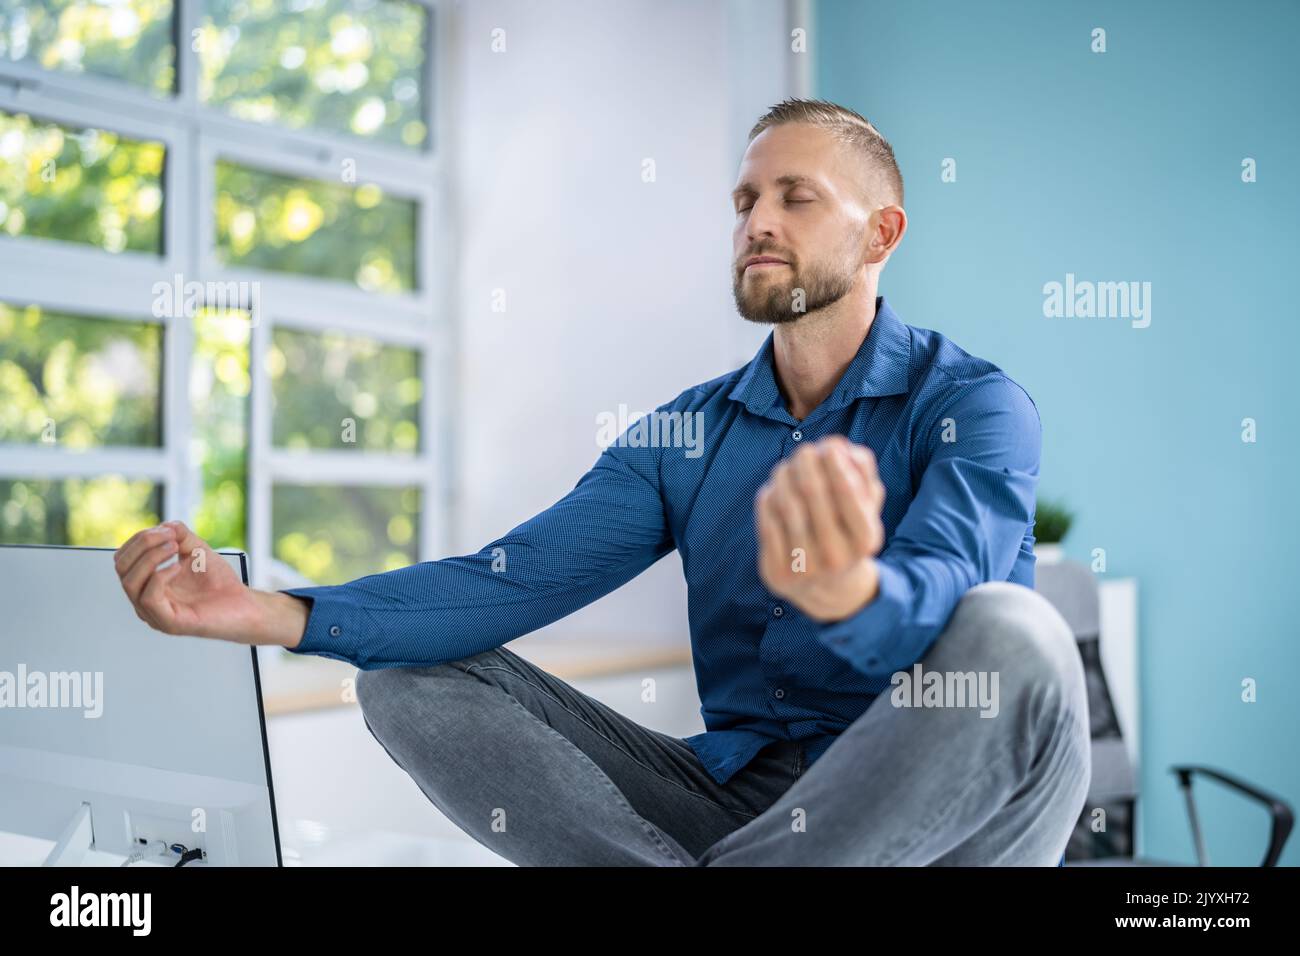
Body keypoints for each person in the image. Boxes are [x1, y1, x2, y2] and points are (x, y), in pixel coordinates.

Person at [114, 98, 1089, 866]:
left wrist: (852, 593)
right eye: (744, 200)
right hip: (741, 803)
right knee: (409, 678)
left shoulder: (973, 403)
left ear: (879, 235)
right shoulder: (687, 432)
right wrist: (265, 608)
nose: (756, 220)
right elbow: (509, 578)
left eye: (796, 197)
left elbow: (951, 590)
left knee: (1017, 632)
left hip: (943, 822)